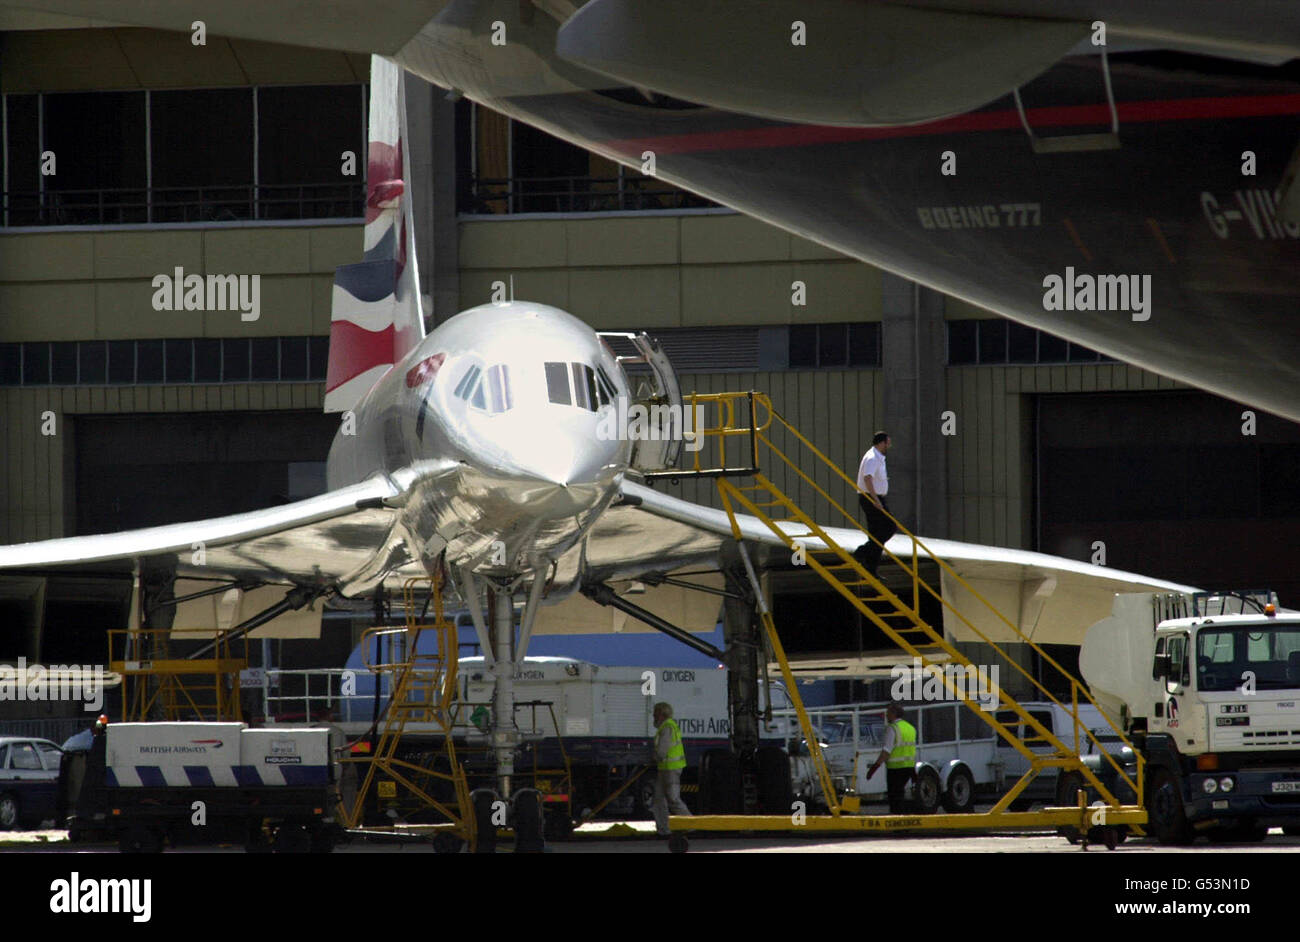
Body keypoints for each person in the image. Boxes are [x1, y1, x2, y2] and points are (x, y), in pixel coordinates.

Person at [853, 431, 896, 576]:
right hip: (871, 498)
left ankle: (871, 567)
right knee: (890, 526)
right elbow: (867, 478)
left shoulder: (878, 458)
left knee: (876, 533)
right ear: (881, 442)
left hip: (874, 497)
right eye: (887, 443)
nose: (888, 446)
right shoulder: (872, 457)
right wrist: (876, 500)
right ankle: (862, 551)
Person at [866, 702, 916, 813]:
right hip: (908, 767)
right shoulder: (910, 728)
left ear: (894, 713)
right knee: (900, 795)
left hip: (895, 769)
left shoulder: (892, 728)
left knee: (894, 797)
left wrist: (873, 769)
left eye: (888, 713)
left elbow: (886, 751)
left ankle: (897, 822)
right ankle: (903, 822)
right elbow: (911, 750)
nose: (886, 715)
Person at [650, 701, 692, 837]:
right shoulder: (666, 727)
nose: (653, 716)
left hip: (670, 769)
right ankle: (663, 829)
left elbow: (663, 749)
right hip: (665, 769)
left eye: (656, 713)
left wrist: (655, 758)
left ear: (661, 714)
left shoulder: (667, 727)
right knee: (659, 800)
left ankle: (691, 825)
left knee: (673, 799)